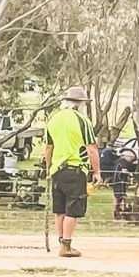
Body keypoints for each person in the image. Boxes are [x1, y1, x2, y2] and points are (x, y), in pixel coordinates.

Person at [44, 86, 102, 257]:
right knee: (73, 209)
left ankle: (61, 240)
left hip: (57, 170)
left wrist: (49, 169)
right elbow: (91, 148)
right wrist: (96, 172)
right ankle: (66, 246)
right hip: (75, 169)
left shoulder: (53, 119)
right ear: (80, 103)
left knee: (59, 209)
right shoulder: (82, 121)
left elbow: (48, 147)